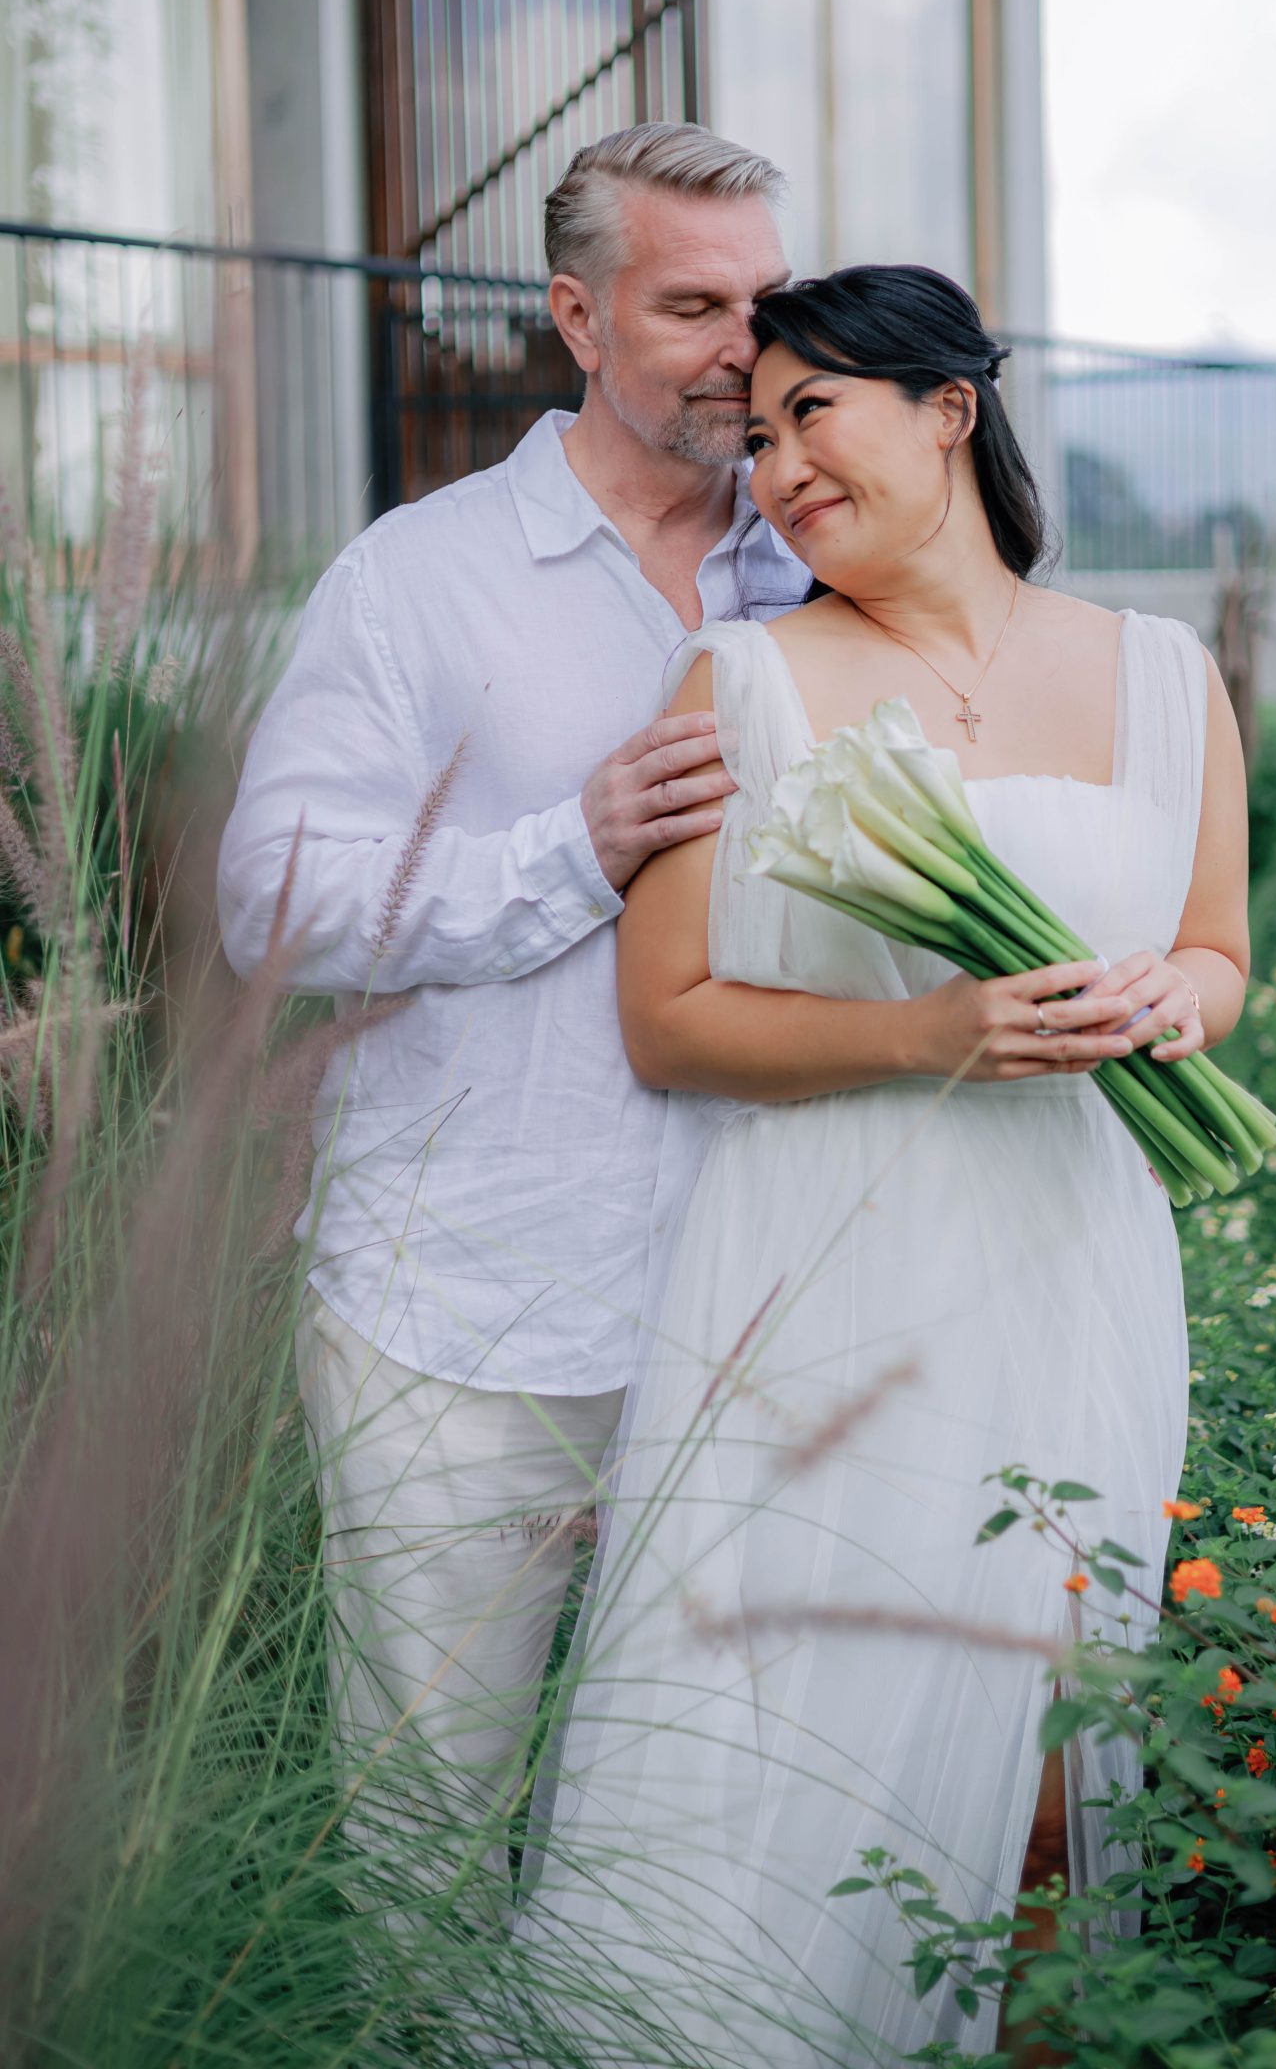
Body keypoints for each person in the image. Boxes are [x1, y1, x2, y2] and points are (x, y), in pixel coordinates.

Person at [522, 265, 1250, 2061]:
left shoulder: (1165, 676)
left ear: (949, 409)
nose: (774, 469)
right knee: (786, 1739)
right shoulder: (742, 679)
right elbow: (670, 1018)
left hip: (1074, 1259)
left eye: (809, 415)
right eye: (751, 440)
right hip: (821, 1279)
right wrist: (938, 1036)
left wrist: (1176, 999)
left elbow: (1224, 950)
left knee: (1052, 1772)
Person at [216, 122, 807, 1929]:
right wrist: (580, 845)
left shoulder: (820, 565)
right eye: (692, 305)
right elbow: (277, 897)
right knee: (425, 1849)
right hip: (456, 1310)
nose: (744, 348)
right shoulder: (416, 579)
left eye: (767, 305)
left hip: (758, 1307)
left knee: (698, 1867)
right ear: (575, 315)